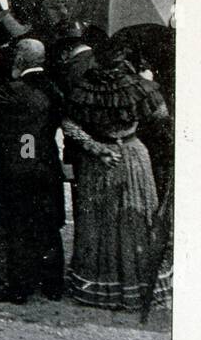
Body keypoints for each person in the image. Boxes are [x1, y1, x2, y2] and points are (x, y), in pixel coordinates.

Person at [60, 41, 171, 310]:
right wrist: (148, 84)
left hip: (99, 161)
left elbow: (68, 124)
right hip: (133, 155)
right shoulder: (138, 86)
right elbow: (160, 115)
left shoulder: (86, 87)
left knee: (100, 220)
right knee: (136, 218)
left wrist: (95, 147)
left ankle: (100, 285)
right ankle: (137, 284)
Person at [0, 38, 66, 304]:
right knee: (47, 225)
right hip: (45, 164)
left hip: (20, 169)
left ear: (20, 60)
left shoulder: (16, 91)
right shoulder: (52, 88)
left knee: (20, 226)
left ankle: (19, 286)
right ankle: (53, 283)